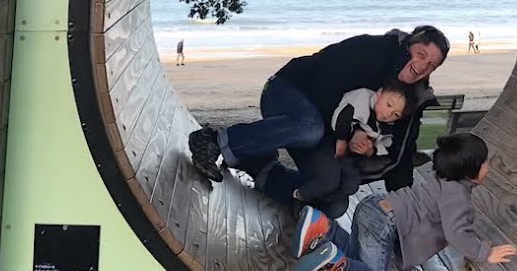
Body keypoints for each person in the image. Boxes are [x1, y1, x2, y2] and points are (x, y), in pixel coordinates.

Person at [186, 26, 450, 194]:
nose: (422, 66)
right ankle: (214, 140)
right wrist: (347, 134)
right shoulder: (372, 50)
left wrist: (402, 209)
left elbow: (402, 155)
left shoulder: (413, 98)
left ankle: (265, 171)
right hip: (288, 91)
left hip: (324, 129)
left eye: (432, 65)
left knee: (336, 192)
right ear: (407, 47)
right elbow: (322, 85)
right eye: (421, 54)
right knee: (310, 128)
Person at [289, 132, 517, 271]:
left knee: (355, 252)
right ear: (470, 171)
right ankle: (336, 265)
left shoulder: (444, 179)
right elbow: (456, 233)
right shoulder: (458, 198)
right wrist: (484, 254)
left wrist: (477, 244)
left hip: (374, 205)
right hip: (386, 222)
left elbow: (458, 227)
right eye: (485, 162)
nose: (489, 166)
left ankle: (325, 228)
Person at [285, 81, 413, 218]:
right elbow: (341, 118)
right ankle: (299, 196)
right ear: (379, 93)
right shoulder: (362, 97)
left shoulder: (386, 125)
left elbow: (384, 145)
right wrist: (343, 138)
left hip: (348, 157)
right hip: (331, 143)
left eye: (395, 114)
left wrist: (369, 151)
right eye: (388, 104)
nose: (388, 113)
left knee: (351, 184)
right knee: (330, 180)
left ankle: (316, 200)